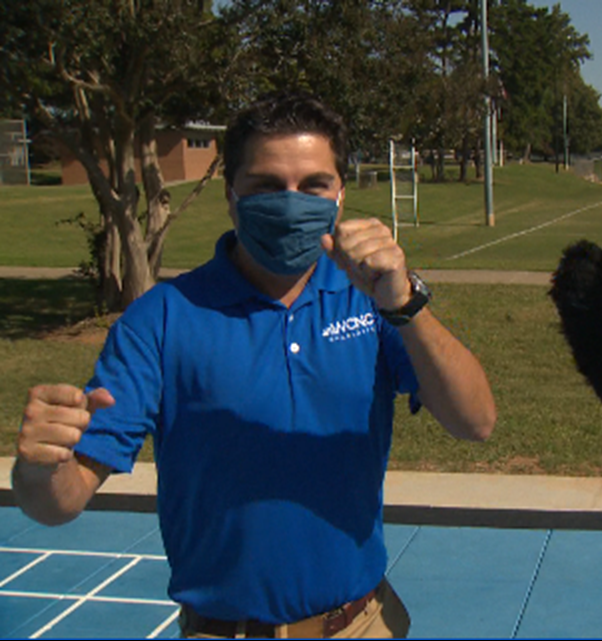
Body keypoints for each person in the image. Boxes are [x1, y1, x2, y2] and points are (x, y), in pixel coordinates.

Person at [12, 92, 496, 638]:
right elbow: (60, 502)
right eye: (267, 186)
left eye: (313, 185)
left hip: (363, 621)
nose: (291, 203)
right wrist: (39, 466)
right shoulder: (161, 321)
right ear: (231, 195)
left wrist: (406, 305)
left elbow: (475, 423)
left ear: (339, 196)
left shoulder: (371, 298)